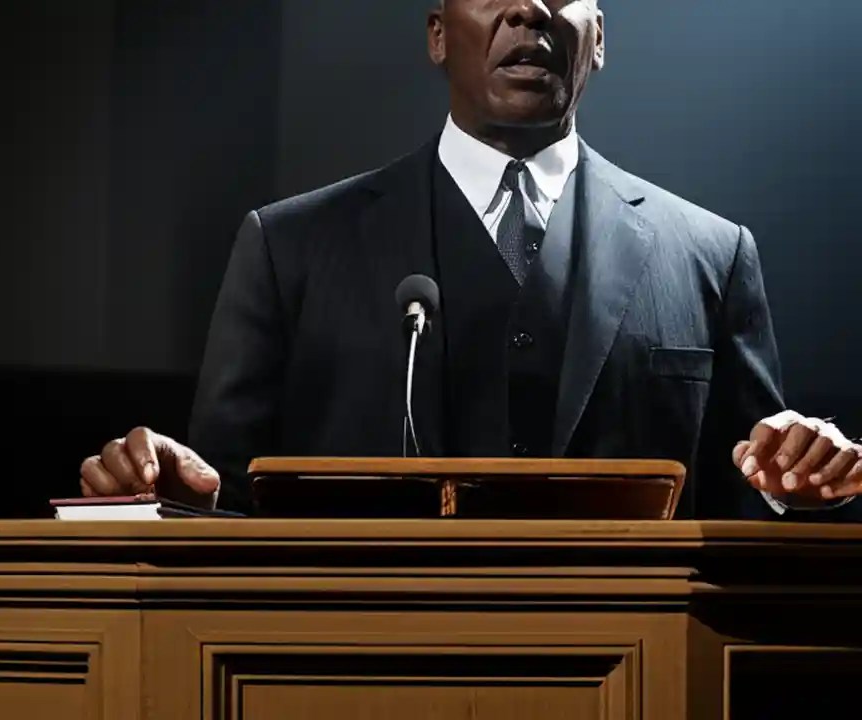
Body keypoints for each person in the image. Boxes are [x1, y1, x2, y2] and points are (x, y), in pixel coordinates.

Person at [79, 0, 861, 520]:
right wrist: (165, 492)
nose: (529, 9)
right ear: (437, 33)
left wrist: (804, 479)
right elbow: (214, 495)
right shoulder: (289, 247)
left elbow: (757, 490)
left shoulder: (712, 254)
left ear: (599, 37)